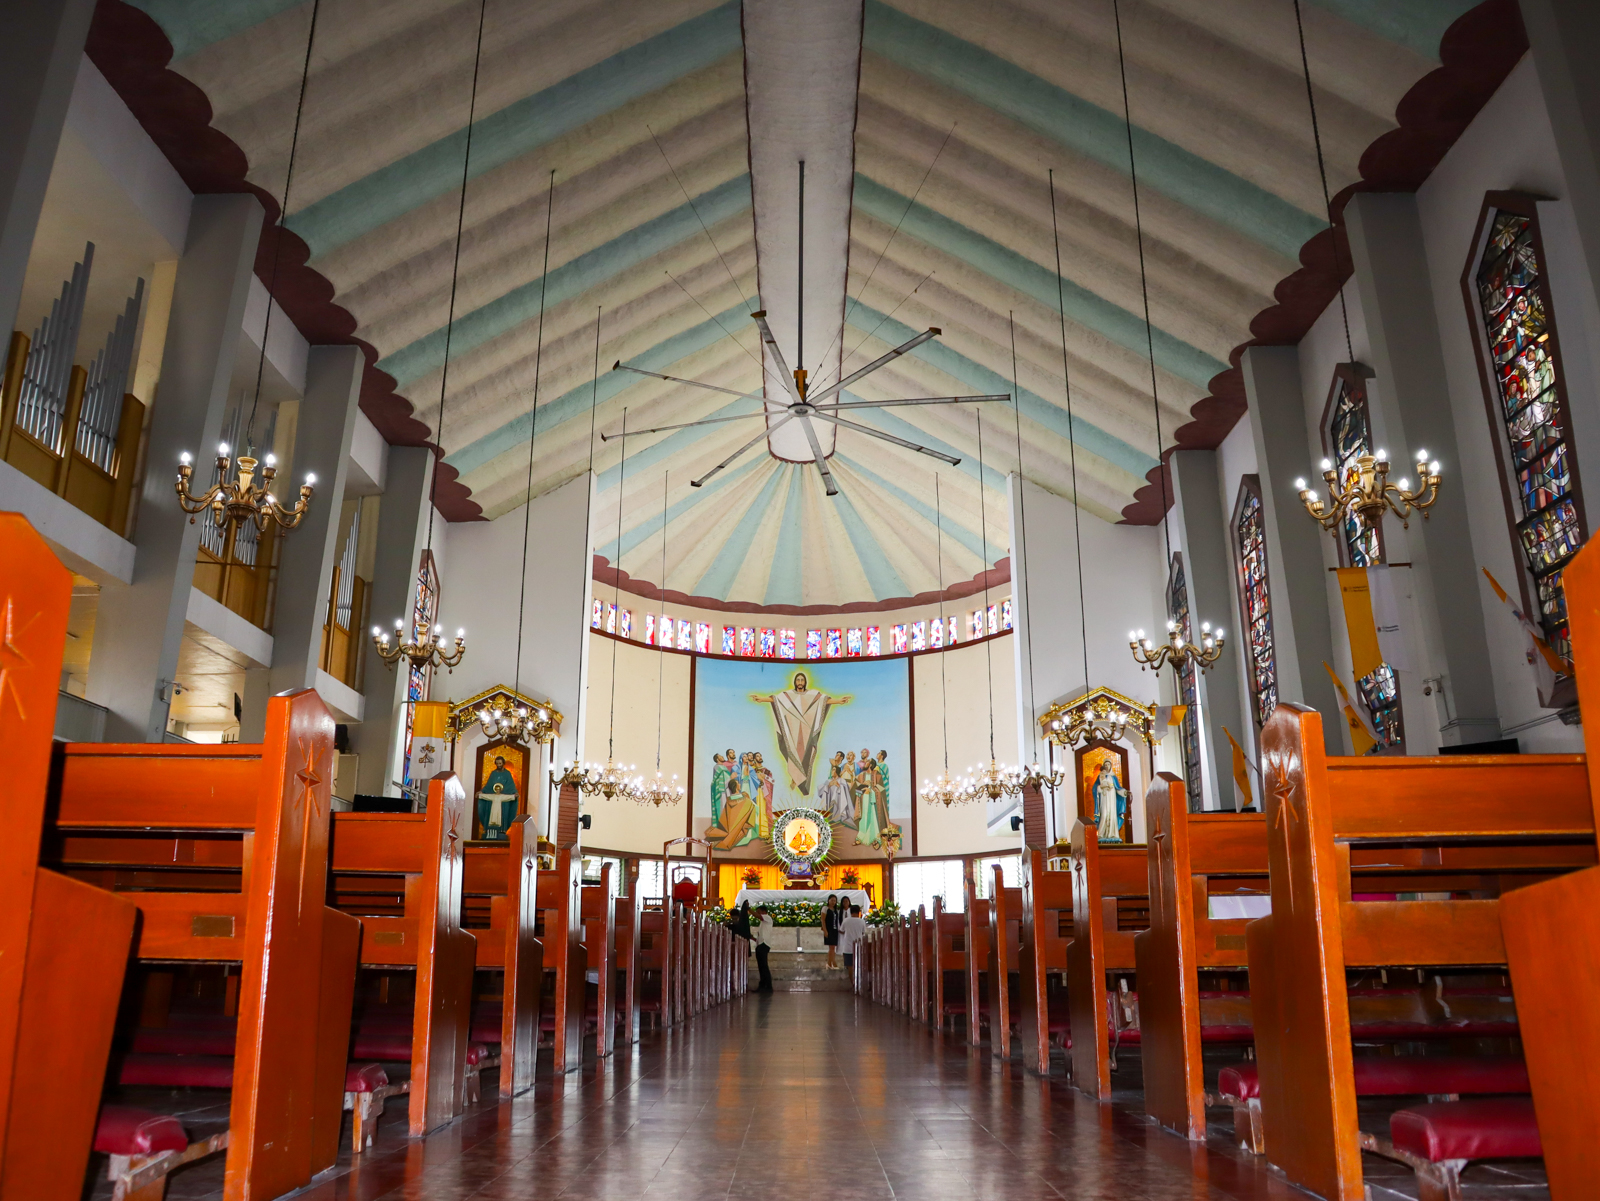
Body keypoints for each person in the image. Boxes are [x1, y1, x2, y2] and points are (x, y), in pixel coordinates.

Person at [839, 904, 867, 979]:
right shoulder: (862, 921)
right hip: (859, 947)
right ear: (859, 912)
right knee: (858, 965)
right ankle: (858, 983)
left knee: (850, 966)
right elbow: (863, 932)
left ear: (850, 912)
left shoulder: (846, 920)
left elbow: (841, 931)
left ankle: (853, 984)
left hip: (848, 947)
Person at [753, 906, 774, 993]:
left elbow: (758, 916)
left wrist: (748, 909)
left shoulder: (767, 918)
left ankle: (768, 986)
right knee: (761, 966)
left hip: (764, 944)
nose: (757, 913)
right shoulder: (762, 923)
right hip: (760, 944)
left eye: (759, 911)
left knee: (764, 966)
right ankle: (762, 985)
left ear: (764, 911)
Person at [822, 894, 841, 969]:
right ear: (828, 900)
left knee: (832, 947)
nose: (833, 902)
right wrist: (825, 930)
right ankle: (833, 963)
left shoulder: (836, 910)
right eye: (832, 900)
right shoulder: (825, 908)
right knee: (831, 947)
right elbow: (823, 920)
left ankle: (829, 963)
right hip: (829, 929)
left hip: (835, 930)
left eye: (834, 901)